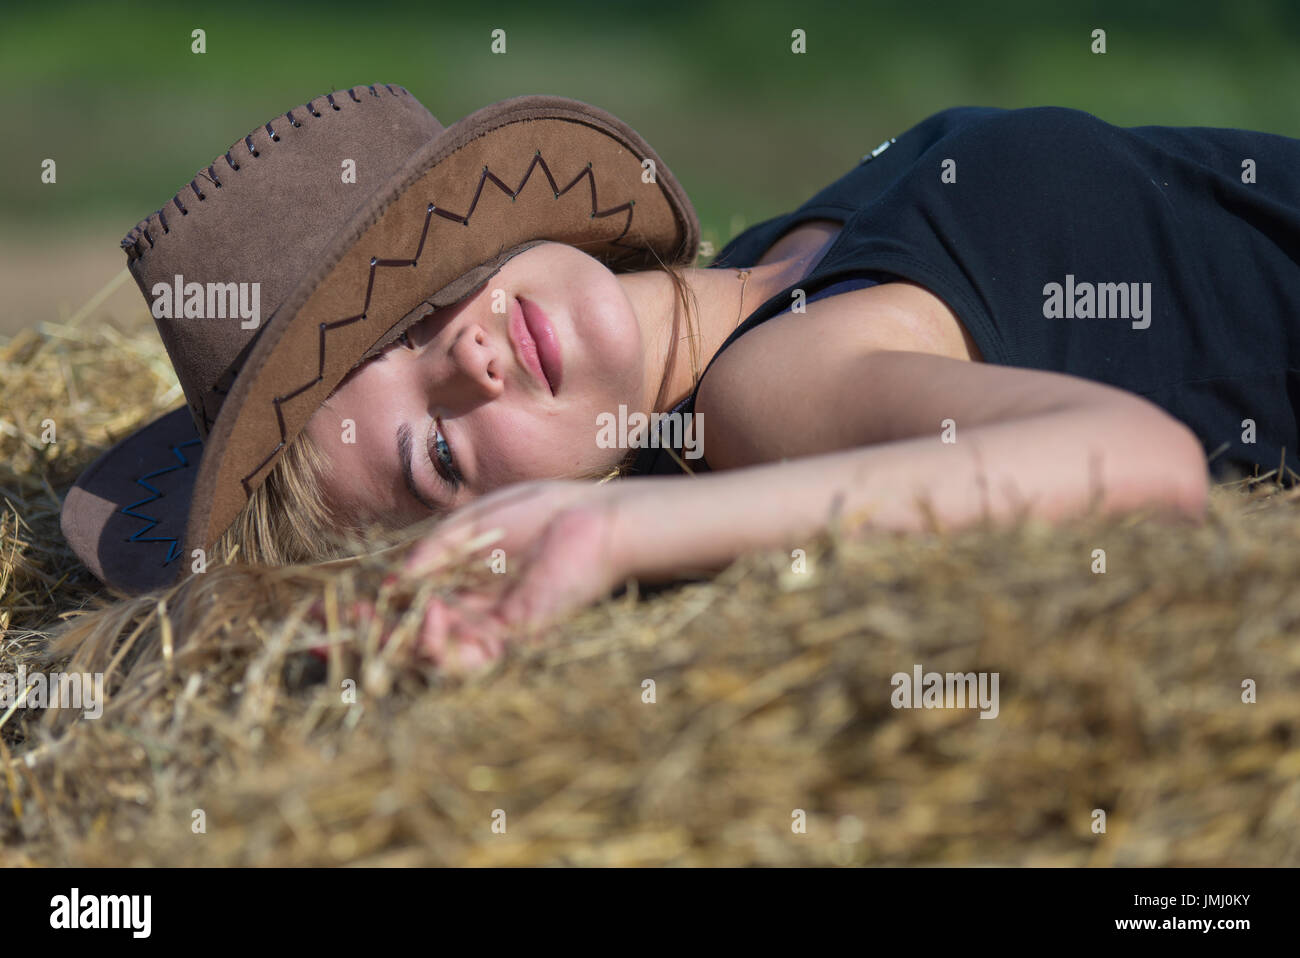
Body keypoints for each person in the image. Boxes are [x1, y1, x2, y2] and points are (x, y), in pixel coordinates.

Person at [59, 90, 1300, 671]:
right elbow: (1138, 471)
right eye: (439, 452)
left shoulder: (770, 268)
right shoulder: (758, 400)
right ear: (485, 529)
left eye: (415, 310)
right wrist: (615, 530)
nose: (469, 358)